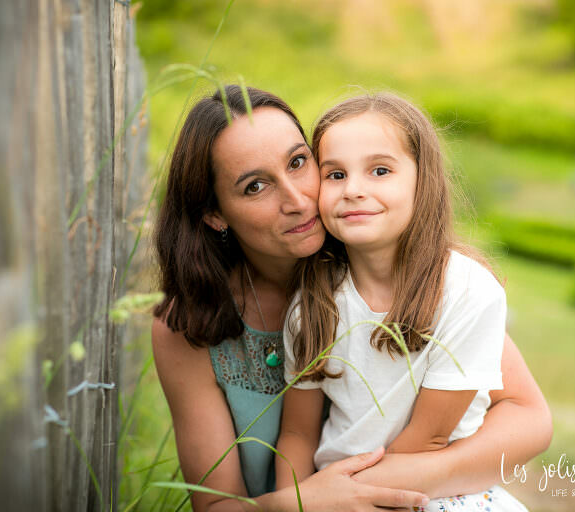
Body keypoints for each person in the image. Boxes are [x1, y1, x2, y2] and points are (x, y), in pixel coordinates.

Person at [151, 85, 551, 511]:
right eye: (255, 186)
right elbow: (218, 504)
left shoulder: (404, 267)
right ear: (215, 214)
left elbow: (528, 419)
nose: (298, 198)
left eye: (299, 162)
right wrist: (307, 502)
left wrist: (377, 490)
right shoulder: (206, 320)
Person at [276, 92, 531, 511]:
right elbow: (298, 435)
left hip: (433, 491)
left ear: (422, 180)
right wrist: (299, 503)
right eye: (335, 175)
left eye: (379, 170)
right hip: (333, 496)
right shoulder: (312, 306)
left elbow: (428, 438)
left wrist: (343, 497)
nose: (354, 190)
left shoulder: (467, 290)